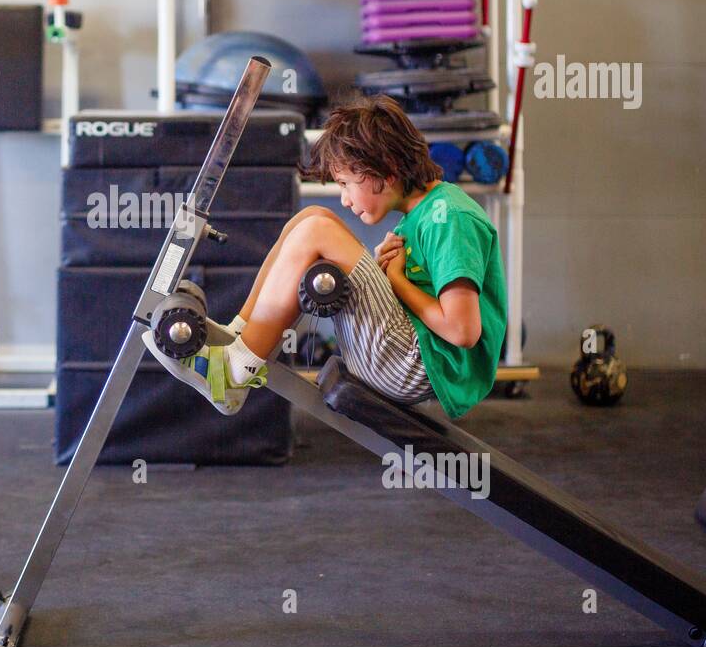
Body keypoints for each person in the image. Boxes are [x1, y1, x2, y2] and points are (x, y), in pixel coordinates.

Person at [144, 94, 506, 421]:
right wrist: (387, 277)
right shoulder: (423, 215)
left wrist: (393, 281)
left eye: (348, 184)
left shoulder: (449, 217)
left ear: (388, 169)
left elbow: (463, 331)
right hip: (405, 356)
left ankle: (234, 372)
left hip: (416, 369)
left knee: (318, 231)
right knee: (311, 217)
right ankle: (240, 334)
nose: (346, 199)